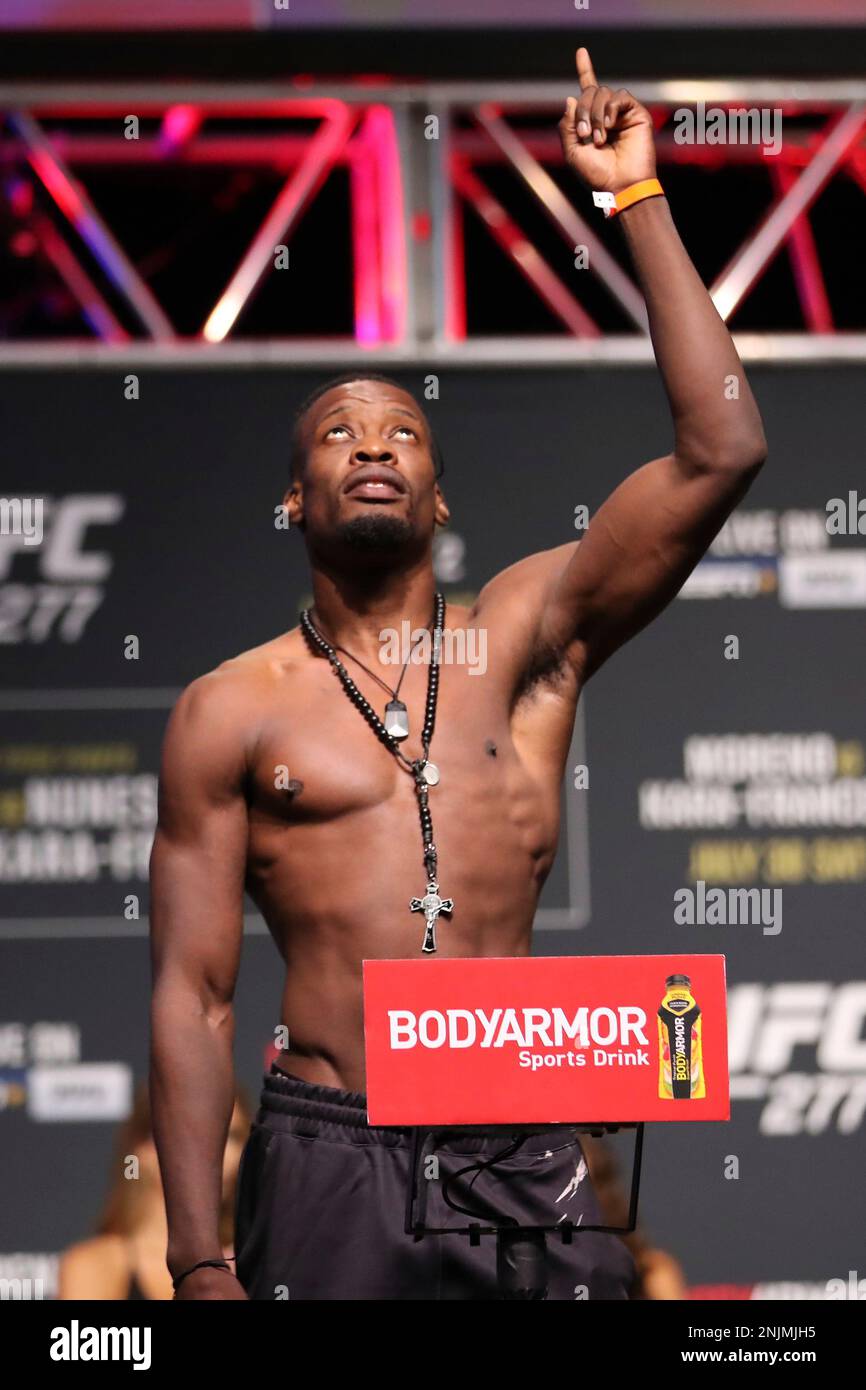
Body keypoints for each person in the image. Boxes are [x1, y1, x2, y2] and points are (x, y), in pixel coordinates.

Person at [149, 47, 766, 1301]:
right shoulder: (230, 707)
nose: (371, 442)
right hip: (328, 1148)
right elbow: (194, 994)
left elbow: (722, 448)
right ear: (292, 498)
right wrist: (198, 1258)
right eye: (336, 430)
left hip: (522, 1138)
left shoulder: (528, 637)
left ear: (439, 494)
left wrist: (632, 198)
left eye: (401, 431)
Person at [58, 1080, 250, 1300]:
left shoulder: (253, 1264)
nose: (219, 1154)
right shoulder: (95, 1265)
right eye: (197, 1133)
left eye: (232, 1136)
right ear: (145, 1149)